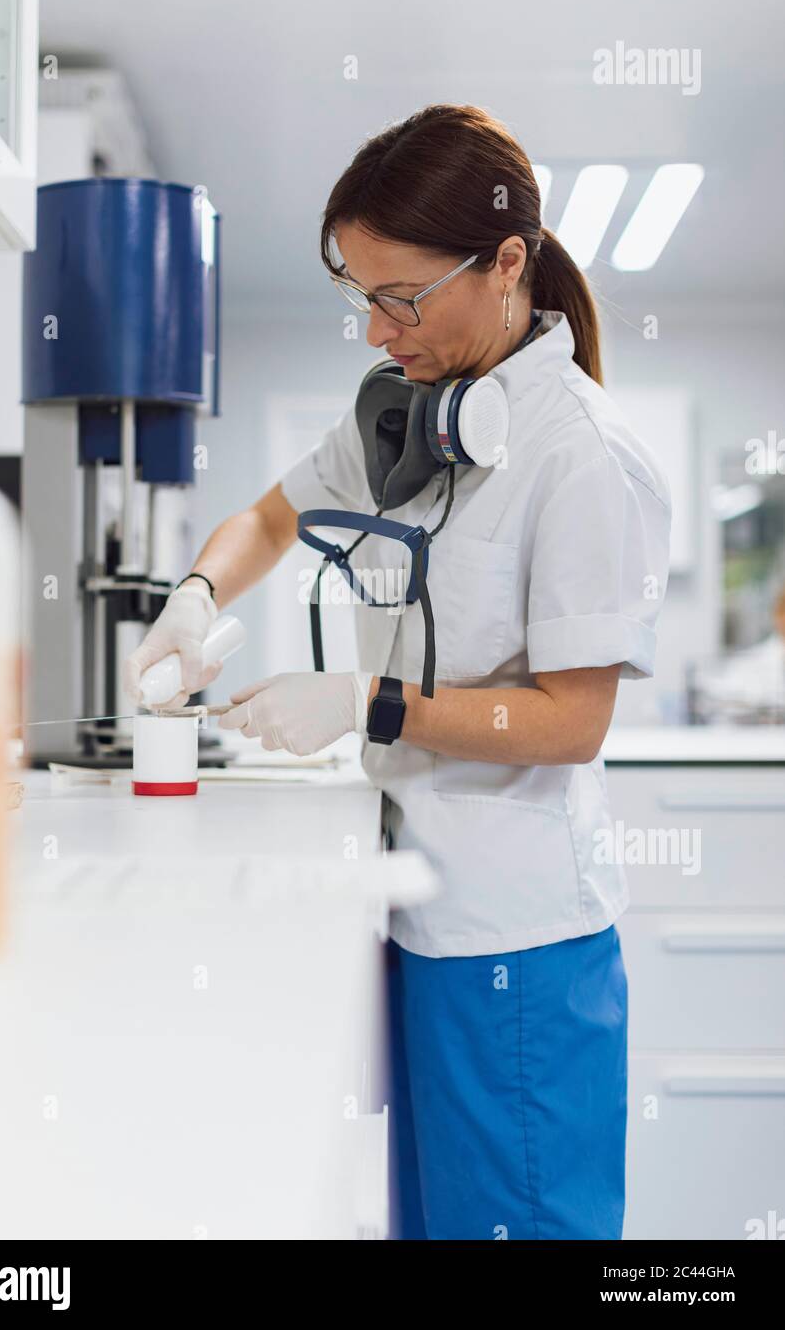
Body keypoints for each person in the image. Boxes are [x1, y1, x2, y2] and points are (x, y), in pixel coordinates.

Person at [125, 104, 671, 1240]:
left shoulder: (581, 455)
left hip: (512, 945)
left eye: (399, 298)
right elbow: (270, 517)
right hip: (413, 922)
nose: (378, 334)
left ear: (507, 262)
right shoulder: (408, 422)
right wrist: (195, 597)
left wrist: (367, 702)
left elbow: (572, 720)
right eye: (360, 301)